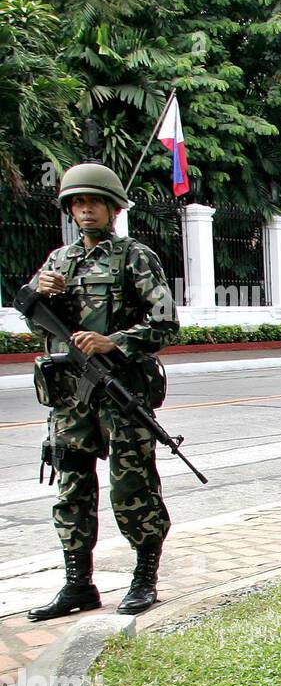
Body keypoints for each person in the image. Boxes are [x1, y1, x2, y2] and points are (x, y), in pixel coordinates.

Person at [24, 163, 179, 621]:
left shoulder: (136, 257)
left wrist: (117, 342)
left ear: (113, 207)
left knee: (132, 486)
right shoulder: (58, 261)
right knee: (71, 486)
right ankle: (78, 584)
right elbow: (34, 323)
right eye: (77, 202)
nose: (85, 209)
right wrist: (38, 292)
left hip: (119, 392)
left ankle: (144, 577)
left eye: (93, 201)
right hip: (69, 397)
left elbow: (167, 322)